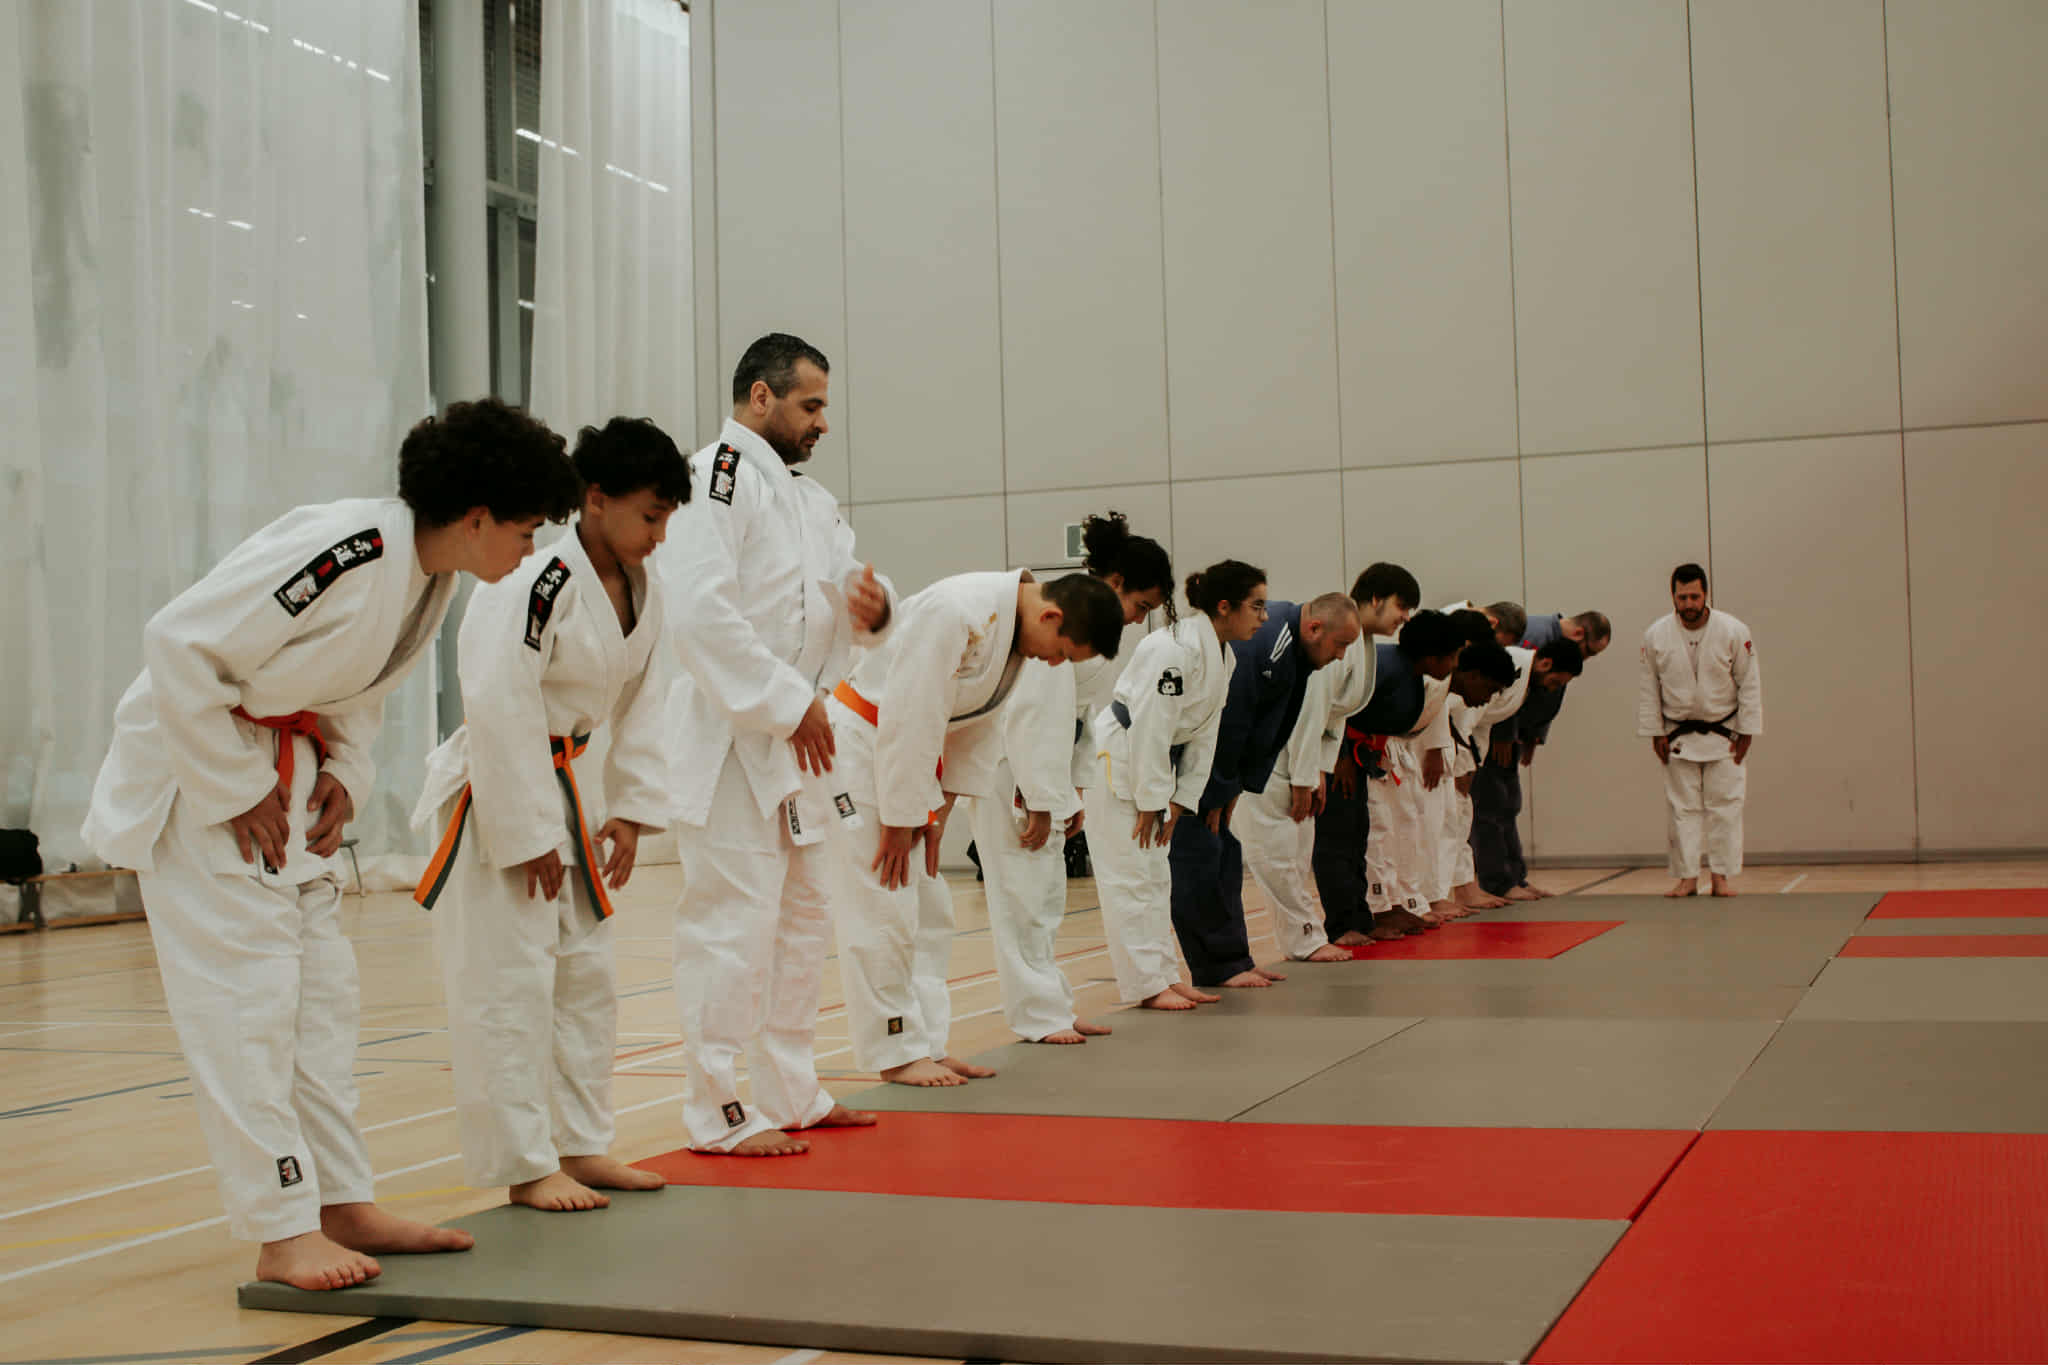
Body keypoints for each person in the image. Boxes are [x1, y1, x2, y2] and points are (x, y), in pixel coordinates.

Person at [81, 398, 582, 1290]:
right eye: (526, 527)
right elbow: (178, 644)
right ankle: (281, 1227)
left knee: (322, 1000)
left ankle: (340, 1199)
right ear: (476, 519)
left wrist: (345, 770)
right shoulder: (350, 548)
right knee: (251, 1002)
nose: (530, 548)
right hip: (203, 777)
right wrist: (234, 789)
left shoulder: (424, 576)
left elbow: (353, 683)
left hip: (287, 767)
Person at [412, 417, 685, 1212]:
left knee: (585, 978)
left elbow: (642, 705)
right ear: (594, 500)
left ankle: (580, 1143)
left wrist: (630, 811)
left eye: (668, 518)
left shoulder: (646, 593)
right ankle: (526, 1164)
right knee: (509, 983)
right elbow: (497, 695)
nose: (658, 535)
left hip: (572, 790)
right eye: (648, 515)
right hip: (496, 791)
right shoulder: (535, 576)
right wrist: (525, 828)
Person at [661, 333, 896, 1157]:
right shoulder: (712, 481)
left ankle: (792, 1088)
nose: (823, 421)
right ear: (760, 397)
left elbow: (849, 594)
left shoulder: (810, 500)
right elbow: (698, 612)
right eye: (810, 404)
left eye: (824, 404)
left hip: (798, 738)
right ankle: (717, 1108)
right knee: (733, 923)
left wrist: (875, 607)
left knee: (804, 915)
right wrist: (787, 702)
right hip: (732, 736)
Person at [827, 569, 1124, 1085]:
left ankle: (926, 1043)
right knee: (883, 903)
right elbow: (911, 711)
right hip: (862, 748)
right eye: (1062, 652)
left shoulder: (1012, 630)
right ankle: (894, 1050)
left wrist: (939, 810)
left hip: (908, 761)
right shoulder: (959, 611)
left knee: (930, 907)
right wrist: (903, 817)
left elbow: (980, 729)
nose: (1054, 663)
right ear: (1051, 616)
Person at [969, 512, 1171, 1044]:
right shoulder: (1059, 615)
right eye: (1140, 605)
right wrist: (1039, 796)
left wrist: (1073, 784)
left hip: (1042, 770)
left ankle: (1052, 1003)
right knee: (1022, 896)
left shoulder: (1093, 628)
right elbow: (1028, 712)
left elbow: (1080, 716)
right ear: (1117, 583)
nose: (1136, 619)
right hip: (1008, 767)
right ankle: (1038, 1015)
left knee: (1046, 893)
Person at [1087, 560, 1263, 1011]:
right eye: (1256, 606)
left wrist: (1184, 798)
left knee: (1155, 877)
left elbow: (1204, 737)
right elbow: (1151, 726)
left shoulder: (1224, 656)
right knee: (1127, 878)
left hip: (1157, 767)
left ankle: (1165, 974)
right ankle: (1145, 985)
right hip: (1122, 758)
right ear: (1224, 607)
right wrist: (1150, 800)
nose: (1264, 616)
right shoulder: (1171, 651)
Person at [1170, 592, 1361, 988]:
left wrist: (1243, 785)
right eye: (1340, 644)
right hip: (1191, 766)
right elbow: (1231, 721)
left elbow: (1274, 729)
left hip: (1218, 769)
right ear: (1314, 627)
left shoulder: (1295, 651)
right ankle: (1215, 967)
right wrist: (1221, 786)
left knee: (1224, 853)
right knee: (1200, 856)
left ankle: (1234, 959)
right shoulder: (1269, 643)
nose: (1342, 656)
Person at [1238, 563, 1418, 961]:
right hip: (1277, 754)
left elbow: (1335, 715)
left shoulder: (1360, 642)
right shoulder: (1337, 633)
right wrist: (1305, 776)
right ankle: (1304, 939)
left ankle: (1306, 935)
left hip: (1302, 755)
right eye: (1401, 606)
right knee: (1280, 849)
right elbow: (1310, 708)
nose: (1404, 618)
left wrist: (1320, 767)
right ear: (1375, 599)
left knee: (1299, 847)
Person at [1312, 609, 1466, 942]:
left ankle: (1365, 914)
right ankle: (1345, 923)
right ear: (1430, 655)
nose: (1453, 666)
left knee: (1359, 833)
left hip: (1359, 756)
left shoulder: (1405, 672)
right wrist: (1338, 758)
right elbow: (1334, 707)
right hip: (1332, 757)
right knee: (1340, 838)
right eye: (1451, 657)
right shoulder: (1385, 666)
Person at [1638, 563, 1761, 897]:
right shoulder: (1656, 635)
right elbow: (1649, 688)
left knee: (1726, 807)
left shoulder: (1734, 630)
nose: (1689, 603)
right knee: (1682, 808)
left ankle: (1721, 876)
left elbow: (1749, 684)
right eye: (1682, 597)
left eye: (1694, 596)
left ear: (1706, 594)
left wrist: (1748, 730)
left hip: (1726, 732)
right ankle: (1687, 876)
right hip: (1677, 734)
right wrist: (1655, 731)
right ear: (1673, 596)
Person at [1472, 607, 1610, 902]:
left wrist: (1534, 736)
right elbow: (1503, 687)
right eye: (1590, 652)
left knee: (1509, 805)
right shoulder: (1528, 639)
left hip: (1515, 733)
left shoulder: (1555, 655)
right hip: (1496, 733)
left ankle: (1515, 877)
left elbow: (1547, 695)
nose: (1587, 658)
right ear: (1579, 634)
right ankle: (1496, 881)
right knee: (1490, 807)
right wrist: (1504, 734)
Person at [1444, 635, 1581, 912]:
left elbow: (1483, 721)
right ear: (1545, 663)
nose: (1553, 689)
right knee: (1459, 818)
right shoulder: (1511, 668)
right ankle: (1460, 890)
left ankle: (1472, 886)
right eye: (1555, 682)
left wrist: (1473, 762)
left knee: (1469, 813)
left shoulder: (1525, 676)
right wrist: (1460, 763)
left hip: (1469, 746)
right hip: (1449, 742)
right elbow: (1468, 712)